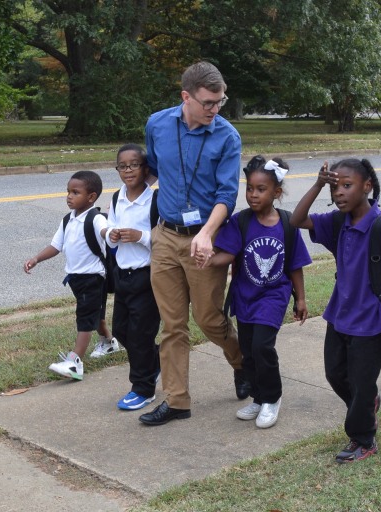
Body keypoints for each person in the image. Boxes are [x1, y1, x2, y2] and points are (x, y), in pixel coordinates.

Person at [139, 61, 248, 427]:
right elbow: (154, 167)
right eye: (208, 103)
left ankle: (241, 361)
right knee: (172, 325)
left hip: (206, 239)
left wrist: (206, 233)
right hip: (166, 237)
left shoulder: (227, 137)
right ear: (186, 97)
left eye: (220, 102)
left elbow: (227, 194)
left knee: (208, 319)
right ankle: (178, 401)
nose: (215, 110)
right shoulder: (157, 124)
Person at [290, 158, 381, 463]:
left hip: (371, 323)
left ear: (367, 186)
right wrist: (319, 183)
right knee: (335, 374)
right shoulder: (337, 223)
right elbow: (296, 220)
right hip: (340, 315)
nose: (339, 193)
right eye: (335, 187)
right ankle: (367, 402)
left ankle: (364, 439)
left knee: (360, 380)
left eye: (347, 186)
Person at [206, 156, 311, 428]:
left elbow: (296, 265)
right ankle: (258, 397)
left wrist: (300, 298)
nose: (253, 194)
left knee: (263, 347)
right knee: (248, 351)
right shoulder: (241, 221)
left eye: (260, 189)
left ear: (276, 193)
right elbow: (227, 255)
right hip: (245, 296)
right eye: (249, 188)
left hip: (273, 297)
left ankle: (273, 398)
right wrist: (206, 259)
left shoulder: (288, 224)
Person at [24, 170, 115, 381]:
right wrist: (36, 259)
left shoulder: (95, 218)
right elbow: (56, 246)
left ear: (91, 197)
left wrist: (110, 234)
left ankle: (74, 362)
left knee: (85, 318)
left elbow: (105, 230)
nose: (69, 196)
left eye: (75, 192)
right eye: (68, 191)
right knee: (96, 315)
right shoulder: (68, 220)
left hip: (92, 277)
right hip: (75, 279)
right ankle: (109, 343)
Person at [104, 144, 161, 410]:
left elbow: (164, 240)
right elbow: (111, 230)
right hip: (122, 276)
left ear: (145, 168)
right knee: (122, 332)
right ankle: (155, 361)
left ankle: (143, 388)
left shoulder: (156, 200)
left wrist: (141, 237)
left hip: (148, 277)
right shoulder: (117, 198)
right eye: (122, 166)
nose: (128, 170)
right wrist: (111, 235)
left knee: (140, 334)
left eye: (134, 165)